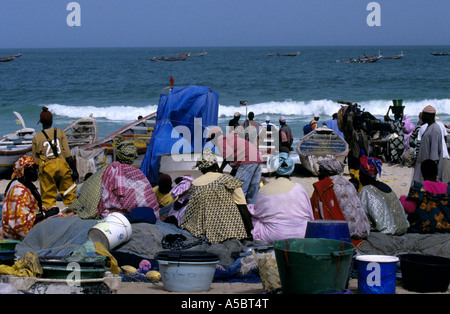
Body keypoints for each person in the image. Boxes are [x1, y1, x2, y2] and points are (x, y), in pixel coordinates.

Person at [180, 148, 252, 243]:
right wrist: (250, 233)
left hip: (199, 231)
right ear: (216, 166)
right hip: (229, 232)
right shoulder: (229, 180)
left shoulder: (194, 184)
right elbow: (242, 206)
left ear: (201, 169)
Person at [249, 153, 314, 243]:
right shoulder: (300, 188)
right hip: (302, 233)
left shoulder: (264, 189)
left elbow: (258, 213)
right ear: (290, 169)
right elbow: (309, 213)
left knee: (254, 217)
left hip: (274, 236)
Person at [97, 136, 160, 219]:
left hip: (110, 213)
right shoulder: (138, 174)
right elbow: (146, 199)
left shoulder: (109, 170)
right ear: (133, 157)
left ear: (119, 155)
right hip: (133, 213)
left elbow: (102, 193)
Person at [2, 156, 59, 240]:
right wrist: (45, 214)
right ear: (23, 171)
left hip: (29, 224)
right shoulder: (18, 191)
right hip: (17, 234)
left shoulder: (27, 185)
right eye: (33, 169)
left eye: (36, 168)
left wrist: (47, 211)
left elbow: (33, 208)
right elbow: (20, 222)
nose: (36, 171)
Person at [32, 107, 79, 209]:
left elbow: (35, 161)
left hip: (47, 169)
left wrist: (36, 174)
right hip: (62, 166)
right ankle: (73, 214)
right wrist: (74, 170)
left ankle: (50, 216)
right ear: (52, 120)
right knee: (69, 195)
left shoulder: (37, 137)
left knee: (48, 199)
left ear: (41, 122)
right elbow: (68, 155)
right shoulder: (60, 133)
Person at [313, 157, 370, 241]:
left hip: (348, 233)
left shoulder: (327, 186)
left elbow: (321, 210)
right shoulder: (348, 183)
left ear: (326, 173)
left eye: (320, 171)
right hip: (364, 229)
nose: (318, 174)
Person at [208, 126, 263, 205]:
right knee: (252, 190)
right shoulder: (230, 138)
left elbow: (229, 156)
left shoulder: (220, 140)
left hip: (247, 159)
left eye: (211, 140)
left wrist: (221, 169)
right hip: (257, 157)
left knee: (238, 189)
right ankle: (250, 210)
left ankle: (239, 212)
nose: (212, 142)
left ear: (214, 136)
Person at [358, 155, 409, 235]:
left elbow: (361, 217)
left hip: (387, 234)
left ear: (363, 174)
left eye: (360, 173)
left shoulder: (366, 190)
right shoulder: (386, 187)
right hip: (401, 229)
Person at [401, 159, 450, 233]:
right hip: (445, 227)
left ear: (422, 173)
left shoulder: (419, 187)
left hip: (422, 227)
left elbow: (410, 208)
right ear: (436, 172)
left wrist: (402, 198)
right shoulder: (446, 187)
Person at [413, 105, 444, 182]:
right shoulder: (429, 128)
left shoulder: (435, 130)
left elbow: (434, 155)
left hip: (428, 173)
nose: (422, 117)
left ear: (428, 116)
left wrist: (431, 176)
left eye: (423, 115)